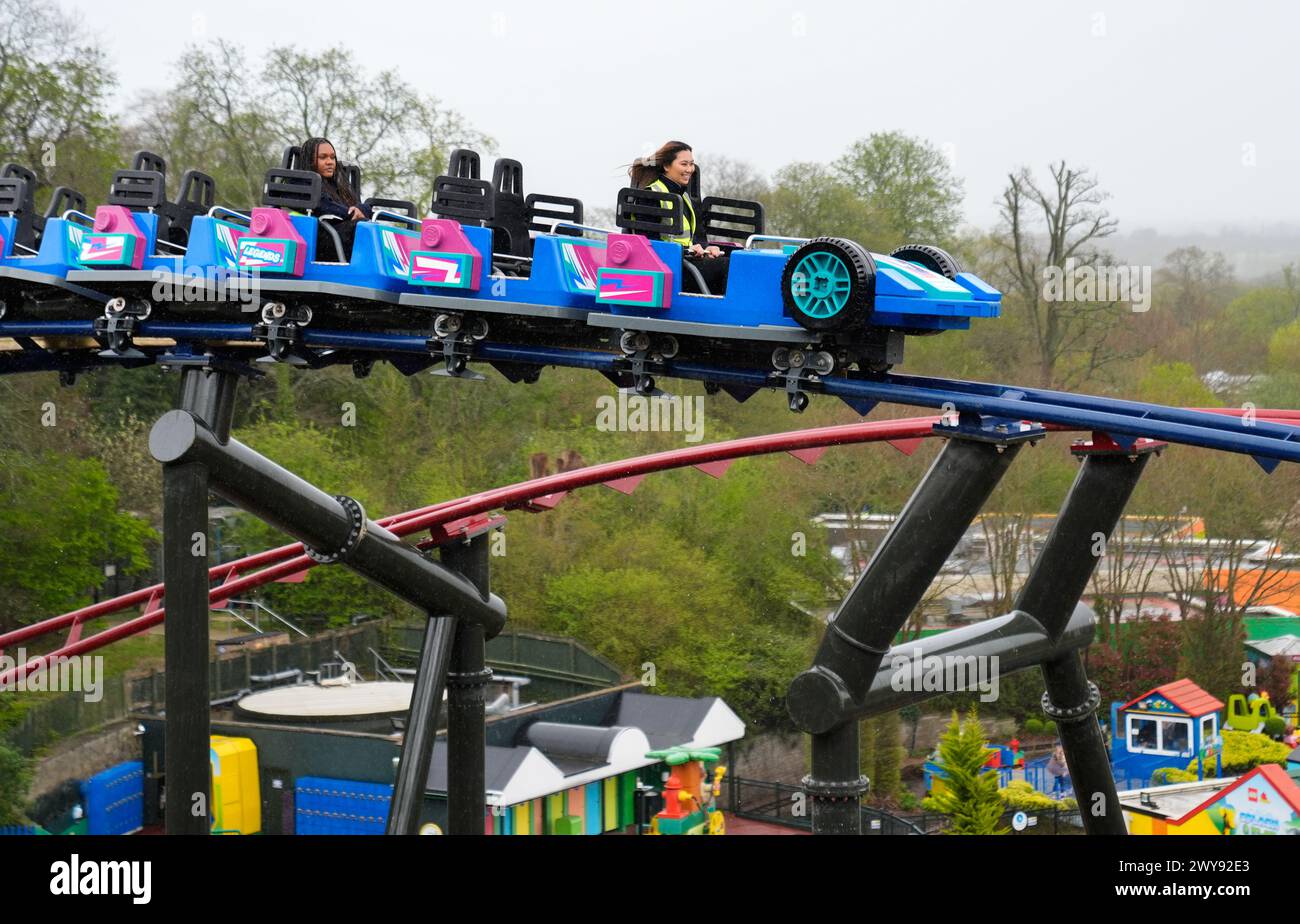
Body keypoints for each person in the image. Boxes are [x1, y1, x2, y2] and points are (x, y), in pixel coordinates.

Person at [628, 140, 727, 295]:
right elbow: (649, 244)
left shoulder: (685, 197)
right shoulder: (651, 196)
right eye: (684, 164)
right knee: (727, 267)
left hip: (687, 263)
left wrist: (707, 249)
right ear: (667, 166)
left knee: (736, 263)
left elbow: (696, 238)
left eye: (692, 164)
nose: (689, 169)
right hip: (669, 267)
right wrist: (685, 251)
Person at [301, 136, 372, 261]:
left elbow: (359, 206)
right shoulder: (301, 183)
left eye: (332, 157)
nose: (330, 162)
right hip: (322, 238)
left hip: (339, 235)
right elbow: (324, 205)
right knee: (363, 227)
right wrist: (351, 213)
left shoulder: (336, 184)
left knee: (370, 226)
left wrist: (360, 209)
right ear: (310, 160)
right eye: (323, 157)